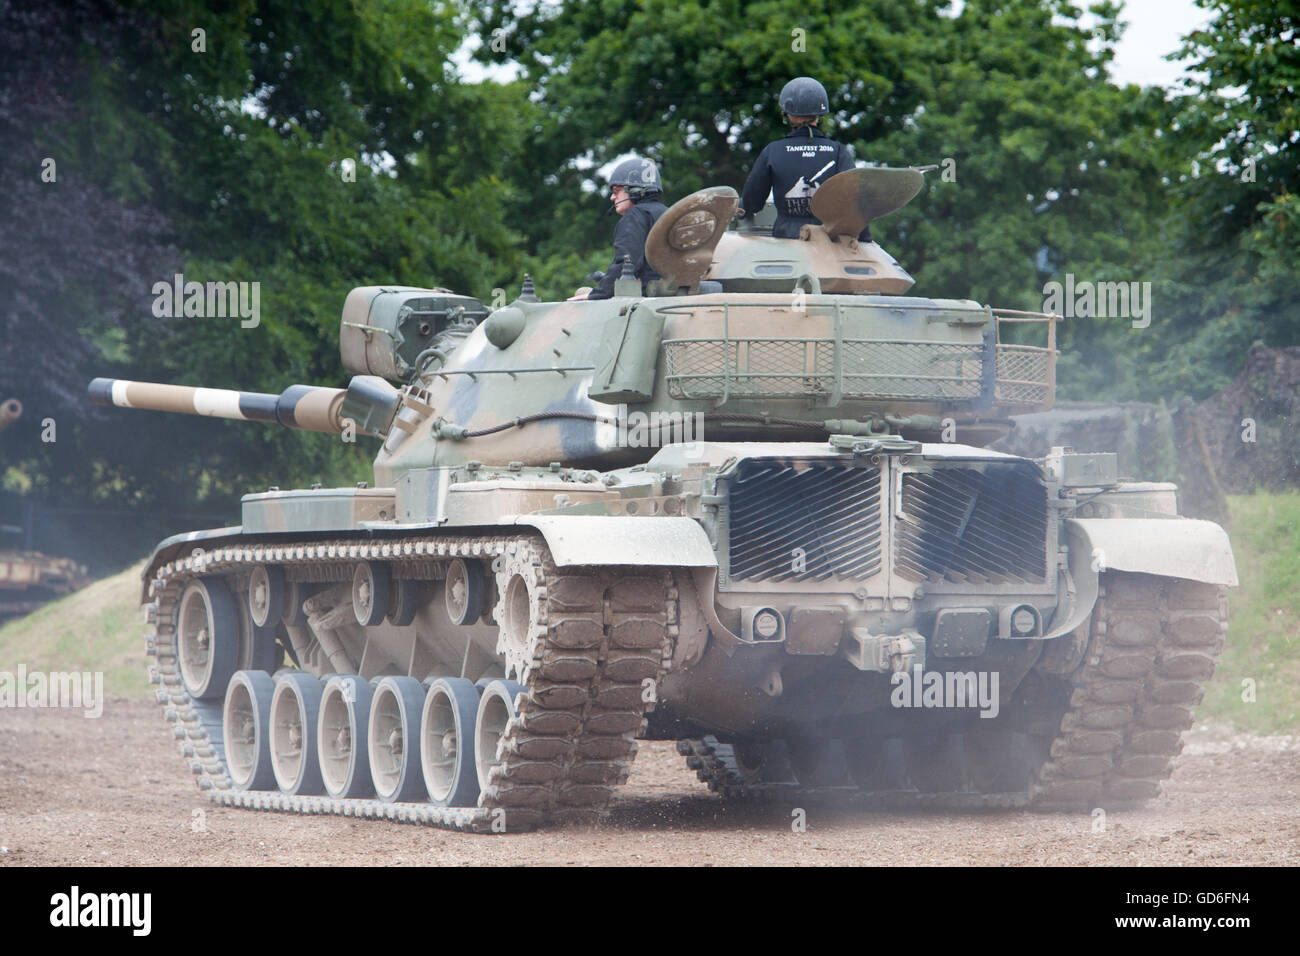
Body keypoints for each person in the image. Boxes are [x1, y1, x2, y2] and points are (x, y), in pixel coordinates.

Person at [740, 77, 869, 241]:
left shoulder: (773, 151)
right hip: (829, 246)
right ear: (819, 115)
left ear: (788, 114)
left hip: (786, 244)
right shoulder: (838, 152)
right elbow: (856, 202)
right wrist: (866, 240)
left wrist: (744, 210)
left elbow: (752, 203)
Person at [571, 157, 669, 300]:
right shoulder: (670, 213)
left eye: (616, 191)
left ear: (635, 191)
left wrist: (596, 294)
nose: (612, 197)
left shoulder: (635, 216)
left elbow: (627, 264)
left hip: (644, 299)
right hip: (675, 295)